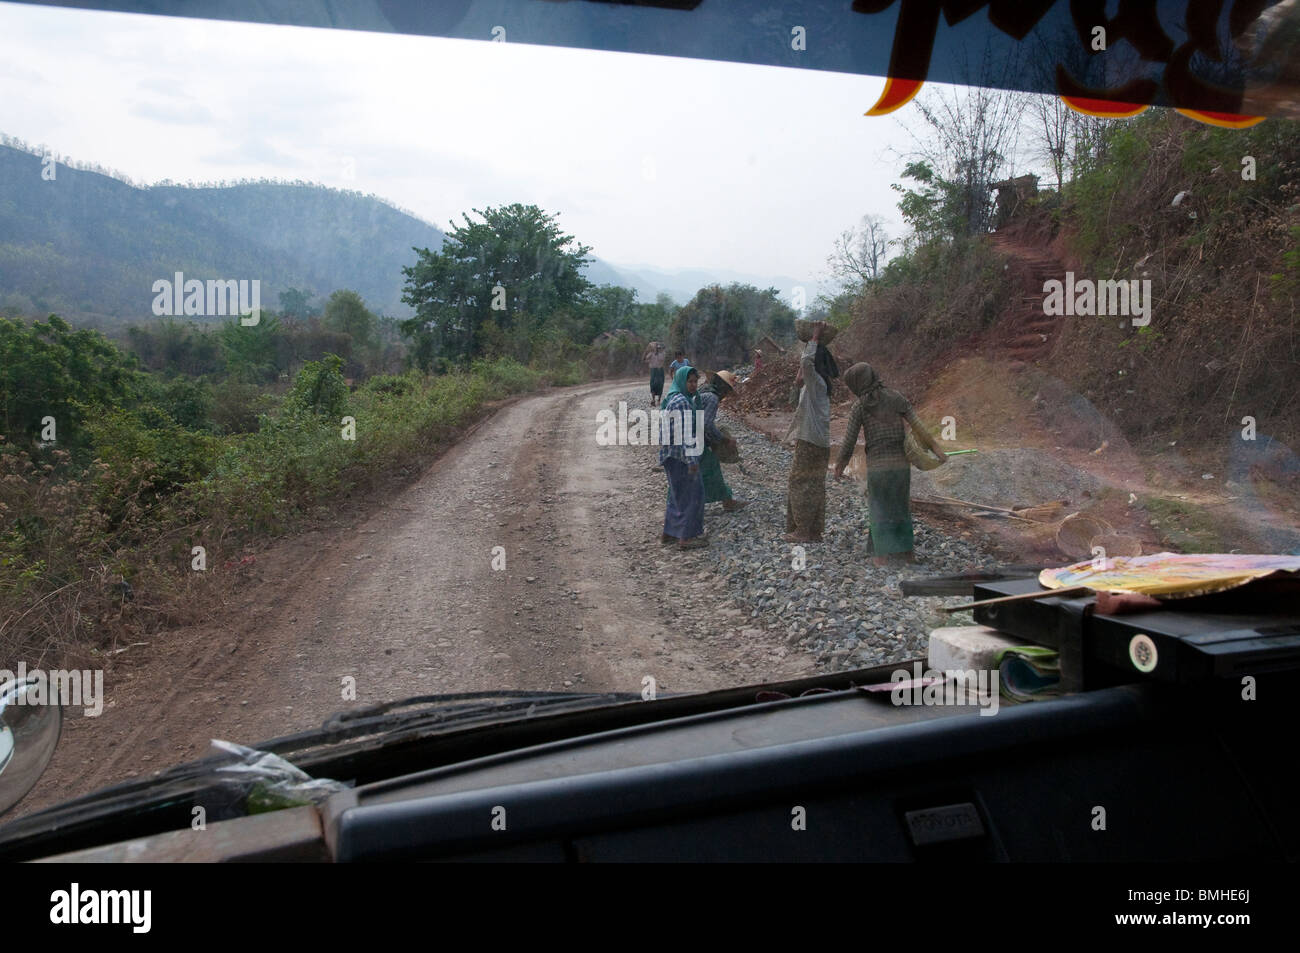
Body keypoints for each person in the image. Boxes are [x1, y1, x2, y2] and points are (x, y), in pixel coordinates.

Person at [833, 362, 946, 565]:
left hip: (878, 467)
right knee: (900, 507)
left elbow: (849, 441)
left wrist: (839, 466)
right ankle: (906, 553)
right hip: (901, 465)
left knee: (879, 507)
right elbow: (919, 427)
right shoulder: (896, 398)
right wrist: (937, 450)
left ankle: (881, 556)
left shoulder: (860, 407)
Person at [784, 322, 838, 543]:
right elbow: (793, 399)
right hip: (818, 443)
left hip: (810, 443)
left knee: (800, 483)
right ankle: (814, 531)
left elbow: (806, 361)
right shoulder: (818, 385)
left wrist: (815, 337)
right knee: (815, 485)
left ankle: (803, 530)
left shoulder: (816, 382)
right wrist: (797, 381)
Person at [659, 365, 707, 550]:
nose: (694, 385)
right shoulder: (683, 403)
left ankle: (669, 532)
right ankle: (686, 537)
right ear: (681, 381)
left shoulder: (673, 398)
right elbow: (686, 435)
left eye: (696, 381)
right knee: (693, 495)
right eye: (690, 381)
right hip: (681, 458)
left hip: (671, 456)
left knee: (677, 494)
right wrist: (692, 461)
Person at [698, 369, 749, 512]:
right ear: (723, 388)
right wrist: (724, 440)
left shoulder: (703, 390)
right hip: (692, 439)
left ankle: (726, 499)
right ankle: (726, 502)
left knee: (704, 469)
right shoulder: (713, 398)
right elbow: (707, 425)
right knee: (711, 468)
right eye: (726, 391)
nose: (726, 395)